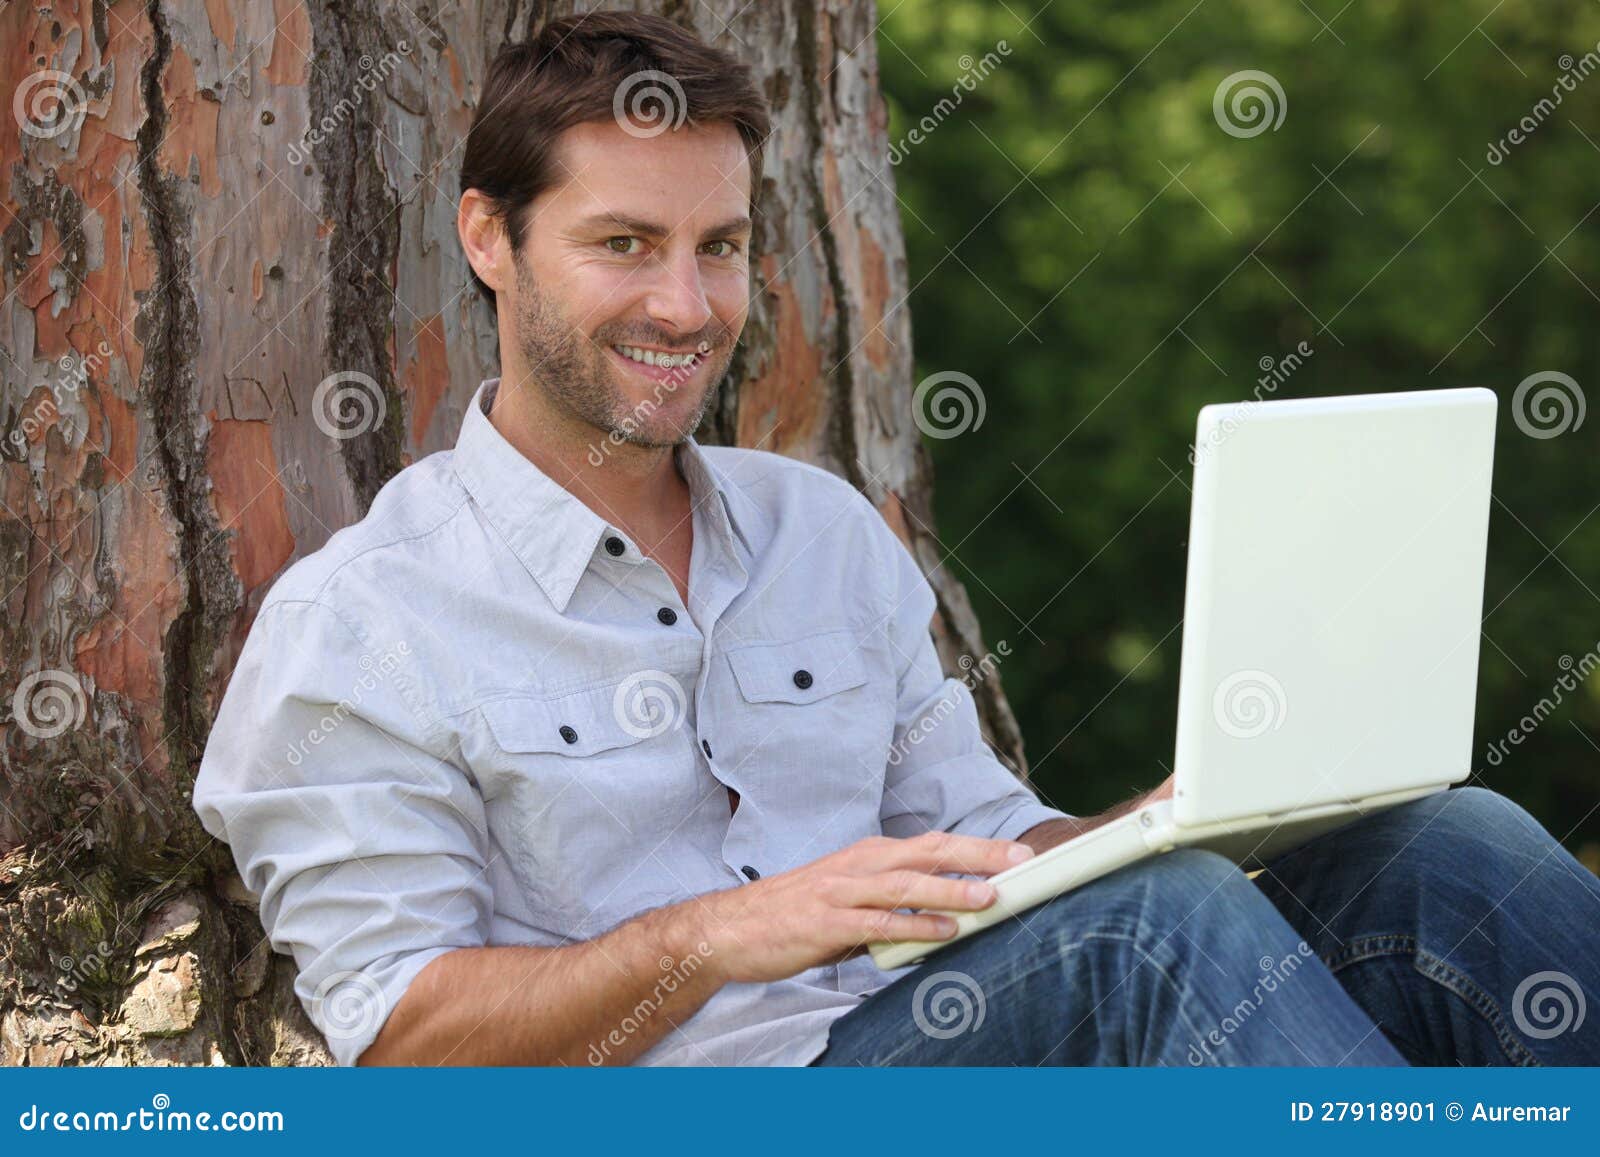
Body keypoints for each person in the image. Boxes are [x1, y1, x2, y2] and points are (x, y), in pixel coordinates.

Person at [192, 10, 1600, 1068]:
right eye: (623, 244)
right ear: (489, 239)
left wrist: (1188, 809)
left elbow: (985, 840)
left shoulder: (821, 533)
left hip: (945, 1039)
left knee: (1444, 847)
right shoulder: (362, 621)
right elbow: (400, 1035)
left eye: (722, 246)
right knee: (1148, 933)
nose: (687, 304)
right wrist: (711, 936)